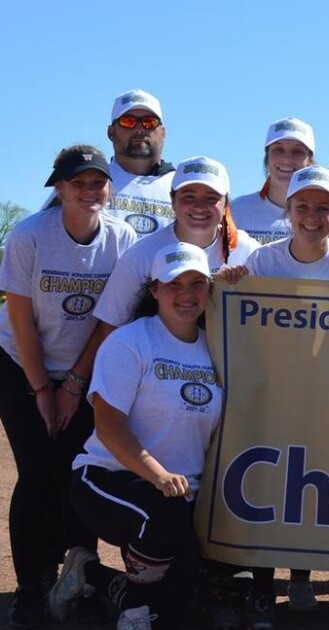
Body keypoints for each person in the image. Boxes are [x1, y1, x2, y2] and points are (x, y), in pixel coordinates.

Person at [220, 164, 329, 630]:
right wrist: (233, 285)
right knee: (275, 485)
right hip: (279, 394)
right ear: (288, 211)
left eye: (323, 208)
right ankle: (266, 587)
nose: (312, 216)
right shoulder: (264, 262)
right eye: (303, 206)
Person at [49, 242, 222, 630]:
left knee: (177, 611)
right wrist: (158, 475)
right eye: (174, 284)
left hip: (182, 492)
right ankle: (133, 615)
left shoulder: (218, 348)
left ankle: (91, 574)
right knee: (165, 512)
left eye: (197, 283)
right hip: (109, 478)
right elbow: (109, 424)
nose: (186, 294)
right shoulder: (129, 341)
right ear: (154, 290)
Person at [0, 145, 137, 628]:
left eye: (97, 182)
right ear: (58, 189)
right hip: (20, 364)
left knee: (79, 473)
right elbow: (19, 317)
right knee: (37, 473)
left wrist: (74, 384)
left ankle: (79, 576)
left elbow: (109, 319)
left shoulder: (121, 239)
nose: (88, 191)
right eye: (77, 183)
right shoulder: (29, 235)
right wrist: (42, 390)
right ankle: (33, 585)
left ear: (109, 187)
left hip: (86, 369)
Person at [92, 156, 259, 332]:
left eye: (211, 198)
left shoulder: (248, 251)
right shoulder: (142, 255)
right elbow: (110, 325)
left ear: (226, 203)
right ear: (172, 200)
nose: (199, 206)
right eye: (189, 197)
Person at [230, 117, 329, 245]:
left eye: (297, 151)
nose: (287, 159)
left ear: (310, 161)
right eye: (278, 150)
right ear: (267, 158)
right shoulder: (238, 210)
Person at [103, 89, 177, 237]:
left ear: (163, 133)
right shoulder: (90, 182)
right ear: (111, 132)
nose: (139, 129)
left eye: (149, 122)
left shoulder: (182, 187)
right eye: (128, 121)